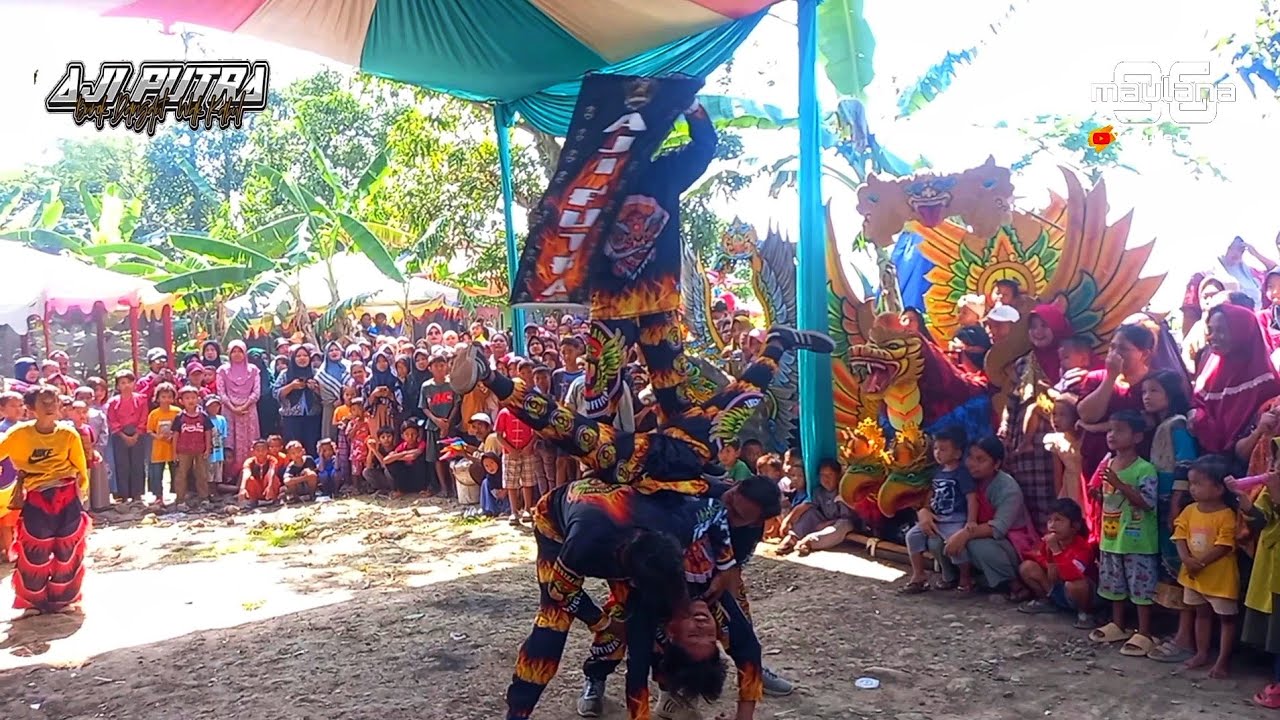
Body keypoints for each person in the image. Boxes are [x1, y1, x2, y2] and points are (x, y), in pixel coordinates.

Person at [1, 385, 90, 616]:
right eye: (44, 402)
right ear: (31, 408)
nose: (50, 406)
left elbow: (81, 469)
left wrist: (81, 493)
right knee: (34, 550)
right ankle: (31, 602)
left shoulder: (68, 434)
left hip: (67, 495)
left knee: (67, 550)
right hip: (36, 496)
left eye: (54, 401)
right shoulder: (18, 434)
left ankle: (63, 600)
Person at [1087, 410, 1160, 657]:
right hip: (1112, 537)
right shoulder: (1108, 464)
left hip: (1138, 540)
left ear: (1137, 436)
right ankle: (1118, 625)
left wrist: (1119, 484)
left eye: (1119, 430)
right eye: (1110, 429)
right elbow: (1110, 499)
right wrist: (1099, 495)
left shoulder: (1145, 468)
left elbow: (1147, 502)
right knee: (1114, 584)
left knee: (1141, 587)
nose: (1112, 435)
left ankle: (1145, 632)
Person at [932, 436, 1036, 596]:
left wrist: (965, 534)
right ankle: (954, 577)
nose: (972, 464)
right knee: (934, 539)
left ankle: (1011, 583)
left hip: (1007, 543)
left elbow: (998, 528)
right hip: (966, 530)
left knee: (977, 545)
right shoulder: (961, 476)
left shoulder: (1008, 488)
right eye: (970, 457)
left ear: (996, 464)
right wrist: (925, 512)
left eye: (980, 460)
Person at [1172, 456, 1240, 677]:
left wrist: (1199, 563)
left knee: (1226, 619)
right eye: (1191, 483)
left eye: (1198, 483)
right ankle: (1201, 653)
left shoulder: (1226, 515)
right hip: (1194, 575)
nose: (1192, 488)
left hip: (1220, 578)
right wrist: (1186, 559)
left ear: (1219, 489)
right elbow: (1180, 535)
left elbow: (1224, 545)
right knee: (1201, 614)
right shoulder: (1190, 510)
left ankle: (1222, 661)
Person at [1191, 303, 1280, 457]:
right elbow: (1197, 402)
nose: (1212, 337)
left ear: (1242, 332)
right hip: (1204, 455)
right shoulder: (1211, 365)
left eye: (1221, 331)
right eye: (1210, 330)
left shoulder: (1264, 383)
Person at [901, 426, 978, 593]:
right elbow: (932, 493)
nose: (937, 453)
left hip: (955, 519)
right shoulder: (938, 472)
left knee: (955, 546)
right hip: (937, 518)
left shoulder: (961, 473)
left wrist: (971, 521)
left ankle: (965, 577)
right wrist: (926, 509)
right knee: (912, 536)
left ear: (957, 453)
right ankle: (918, 575)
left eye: (943, 449)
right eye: (935, 448)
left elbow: (971, 497)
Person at [1016, 497, 1096, 628]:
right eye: (1050, 520)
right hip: (1058, 587)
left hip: (1078, 594)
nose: (1052, 525)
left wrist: (1056, 551)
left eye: (1058, 520)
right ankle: (1048, 601)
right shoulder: (1050, 543)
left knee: (1075, 584)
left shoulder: (1082, 547)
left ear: (1075, 526)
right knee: (1027, 567)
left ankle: (1085, 614)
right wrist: (1049, 559)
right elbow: (1046, 567)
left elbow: (1073, 576)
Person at [1242, 466, 1280, 707]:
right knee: (1277, 631)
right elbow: (1258, 519)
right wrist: (1242, 499)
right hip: (1272, 568)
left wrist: (1276, 494)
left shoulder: (1274, 489)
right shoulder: (1270, 488)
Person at [777, 458, 856, 556]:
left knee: (844, 524)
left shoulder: (843, 492)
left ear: (838, 476)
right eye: (822, 475)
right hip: (824, 521)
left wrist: (827, 524)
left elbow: (846, 518)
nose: (825, 479)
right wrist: (788, 521)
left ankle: (808, 542)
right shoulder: (818, 492)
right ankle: (793, 538)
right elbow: (806, 505)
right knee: (810, 512)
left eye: (830, 475)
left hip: (841, 524)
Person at [106, 370, 149, 504]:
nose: (126, 385)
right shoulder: (113, 402)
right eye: (123, 383)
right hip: (120, 435)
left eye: (129, 382)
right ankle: (123, 494)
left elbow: (144, 417)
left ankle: (137, 494)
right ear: (118, 386)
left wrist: (137, 433)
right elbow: (112, 420)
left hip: (138, 434)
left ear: (134, 383)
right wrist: (123, 435)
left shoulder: (141, 399)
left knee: (138, 464)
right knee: (122, 465)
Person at [419, 353, 457, 498]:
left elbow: (456, 404)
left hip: (450, 425)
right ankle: (443, 488)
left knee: (451, 456)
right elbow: (424, 407)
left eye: (442, 365)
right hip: (433, 426)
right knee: (437, 458)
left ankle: (454, 487)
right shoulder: (426, 386)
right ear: (430, 368)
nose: (440, 368)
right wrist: (437, 421)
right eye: (436, 366)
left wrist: (447, 423)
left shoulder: (451, 384)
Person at [275, 344, 324, 454]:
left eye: (305, 355)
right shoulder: (285, 374)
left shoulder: (316, 373)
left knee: (312, 447)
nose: (302, 358)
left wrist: (315, 389)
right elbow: (275, 393)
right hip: (291, 418)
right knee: (293, 448)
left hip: (312, 417)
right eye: (298, 356)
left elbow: (326, 395)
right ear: (293, 358)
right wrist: (291, 386)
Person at [171, 385, 213, 508]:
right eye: (187, 398)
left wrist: (208, 448)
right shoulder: (180, 417)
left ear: (198, 399)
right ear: (181, 401)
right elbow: (175, 435)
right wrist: (174, 452)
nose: (191, 400)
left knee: (202, 474)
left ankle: (204, 497)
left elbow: (208, 432)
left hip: (200, 450)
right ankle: (180, 500)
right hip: (183, 450)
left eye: (193, 398)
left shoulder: (203, 416)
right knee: (181, 474)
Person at [1043, 392, 1084, 503]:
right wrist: (1059, 501)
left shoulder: (1085, 438)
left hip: (1085, 486)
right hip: (1070, 488)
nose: (1056, 419)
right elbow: (1057, 474)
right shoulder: (1056, 441)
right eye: (1054, 414)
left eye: (1062, 415)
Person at [146, 383, 180, 505]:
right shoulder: (154, 414)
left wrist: (174, 436)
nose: (166, 400)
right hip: (158, 448)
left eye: (169, 397)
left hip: (174, 448)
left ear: (173, 398)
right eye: (163, 397)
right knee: (157, 473)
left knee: (176, 472)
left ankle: (178, 495)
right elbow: (149, 430)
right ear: (158, 398)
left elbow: (181, 428)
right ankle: (158, 496)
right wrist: (158, 436)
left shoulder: (177, 412)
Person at [1219, 235, 1276, 309]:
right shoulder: (1216, 271)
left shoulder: (1249, 273)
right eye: (1233, 248)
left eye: (1241, 250)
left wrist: (1256, 254)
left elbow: (1274, 269)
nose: (1236, 253)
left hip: (1255, 312)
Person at [316, 341, 350, 441]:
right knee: (330, 434)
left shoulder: (349, 366)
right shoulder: (322, 371)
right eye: (331, 350)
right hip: (330, 407)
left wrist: (343, 399)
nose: (334, 352)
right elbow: (322, 390)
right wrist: (333, 401)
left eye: (336, 349)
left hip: (349, 406)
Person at [386, 421, 429, 497]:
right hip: (406, 476)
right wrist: (403, 453)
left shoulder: (421, 444)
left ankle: (424, 489)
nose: (410, 437)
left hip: (419, 476)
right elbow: (386, 460)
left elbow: (413, 456)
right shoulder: (402, 446)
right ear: (402, 436)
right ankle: (401, 490)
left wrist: (396, 457)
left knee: (421, 460)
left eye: (413, 434)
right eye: (407, 434)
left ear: (418, 434)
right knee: (393, 464)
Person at [205, 396, 230, 495]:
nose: (214, 408)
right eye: (211, 406)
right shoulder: (205, 419)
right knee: (209, 471)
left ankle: (215, 491)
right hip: (209, 451)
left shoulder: (222, 419)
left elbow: (223, 435)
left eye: (216, 406)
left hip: (218, 450)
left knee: (217, 472)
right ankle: (209, 492)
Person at [362, 428, 398, 494]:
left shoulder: (396, 449)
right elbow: (368, 465)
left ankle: (394, 490)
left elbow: (385, 463)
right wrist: (371, 449)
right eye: (383, 437)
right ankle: (382, 489)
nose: (386, 439)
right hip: (384, 478)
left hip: (395, 479)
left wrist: (375, 450)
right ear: (379, 439)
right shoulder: (379, 450)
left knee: (387, 470)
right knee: (366, 472)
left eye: (389, 436)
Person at [478, 452, 510, 517]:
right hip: (495, 502)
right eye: (486, 466)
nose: (490, 467)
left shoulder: (505, 472)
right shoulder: (489, 478)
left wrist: (506, 490)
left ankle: (507, 511)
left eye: (492, 463)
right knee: (485, 482)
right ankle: (489, 510)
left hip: (507, 502)